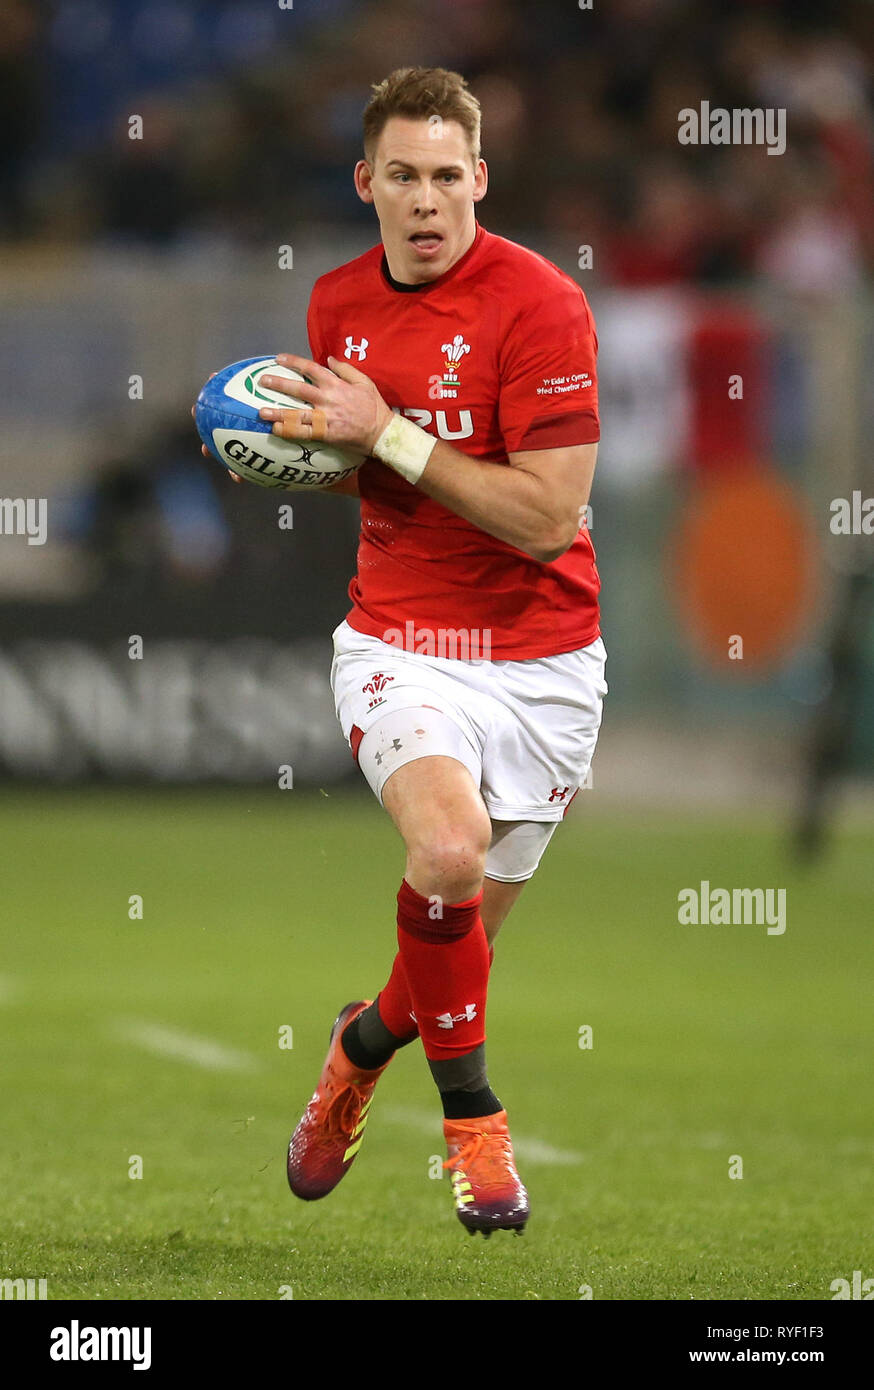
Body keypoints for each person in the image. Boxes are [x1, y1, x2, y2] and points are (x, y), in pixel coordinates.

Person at [220, 66, 606, 1237]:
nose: (427, 201)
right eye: (404, 177)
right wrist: (275, 443)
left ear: (479, 180)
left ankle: (357, 1048)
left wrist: (377, 431)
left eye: (448, 176)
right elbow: (356, 462)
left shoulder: (541, 306)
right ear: (366, 184)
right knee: (446, 852)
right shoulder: (338, 305)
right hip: (400, 639)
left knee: (453, 959)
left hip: (544, 661)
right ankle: (475, 1130)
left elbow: (546, 516)